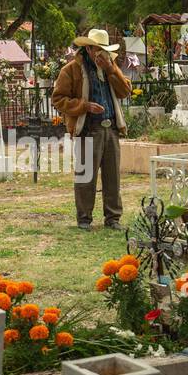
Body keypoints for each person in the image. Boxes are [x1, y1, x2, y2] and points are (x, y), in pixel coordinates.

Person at [51, 28, 132, 231]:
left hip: (111, 128)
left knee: (112, 177)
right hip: (89, 128)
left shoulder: (110, 67)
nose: (102, 53)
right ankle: (84, 219)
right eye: (98, 49)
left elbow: (125, 92)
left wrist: (111, 70)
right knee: (86, 177)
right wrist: (84, 106)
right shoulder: (71, 70)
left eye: (104, 49)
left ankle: (113, 218)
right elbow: (58, 99)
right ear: (88, 48)